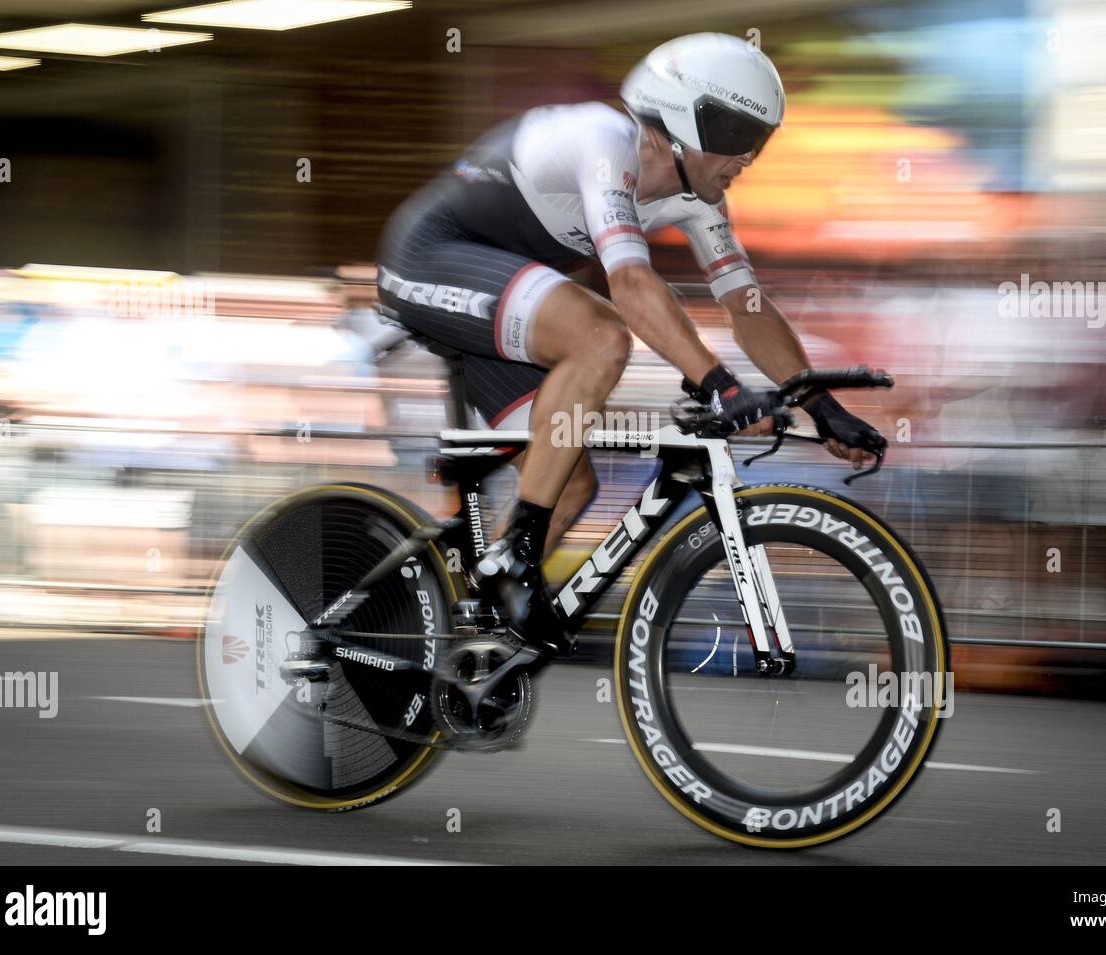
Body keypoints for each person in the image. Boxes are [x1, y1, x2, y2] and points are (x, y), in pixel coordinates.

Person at [376, 33, 882, 656]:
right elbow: (633, 285)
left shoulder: (698, 201)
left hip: (505, 295)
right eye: (734, 134)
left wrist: (818, 401)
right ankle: (514, 558)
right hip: (430, 255)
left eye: (757, 142)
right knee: (600, 338)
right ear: (677, 120)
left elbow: (748, 308)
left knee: (567, 482)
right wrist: (719, 385)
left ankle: (457, 646)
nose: (745, 157)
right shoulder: (603, 139)